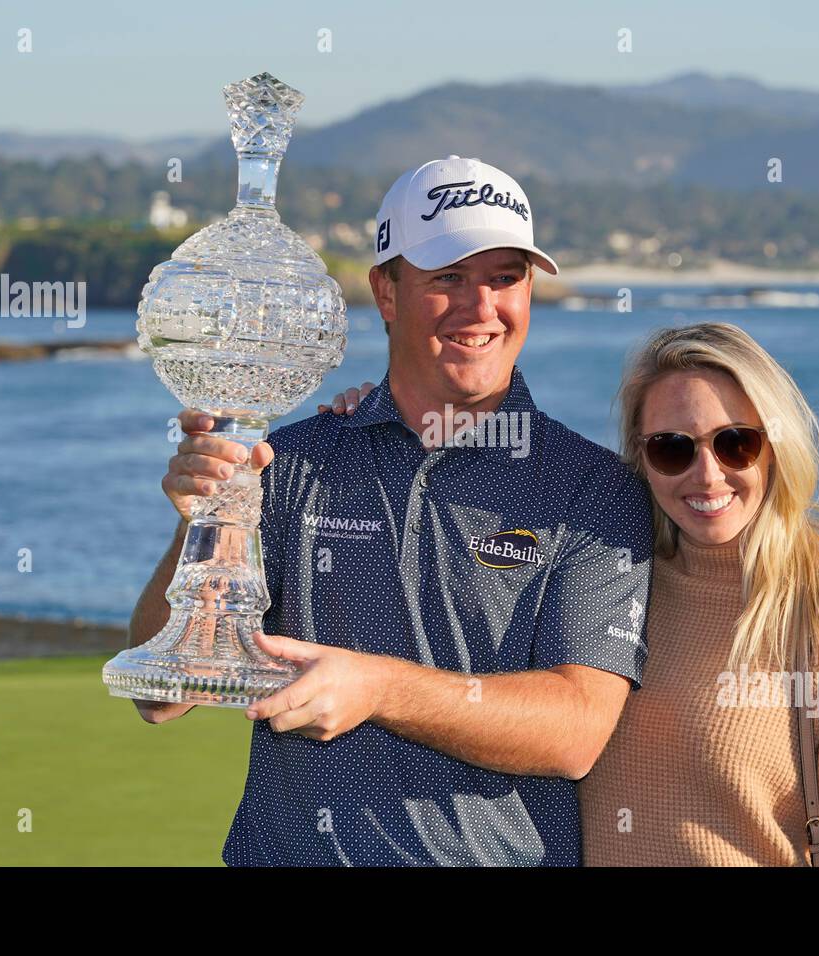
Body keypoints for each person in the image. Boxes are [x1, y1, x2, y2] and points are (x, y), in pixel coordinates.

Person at [125, 155, 654, 866]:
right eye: (448, 278)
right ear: (386, 292)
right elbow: (163, 696)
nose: (482, 307)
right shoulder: (291, 465)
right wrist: (203, 520)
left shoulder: (592, 490)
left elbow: (575, 731)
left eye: (506, 277)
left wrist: (378, 688)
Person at [324, 323, 819, 865]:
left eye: (736, 443)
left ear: (777, 444)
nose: (706, 474)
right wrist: (385, 418)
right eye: (672, 448)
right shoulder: (609, 578)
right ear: (641, 456)